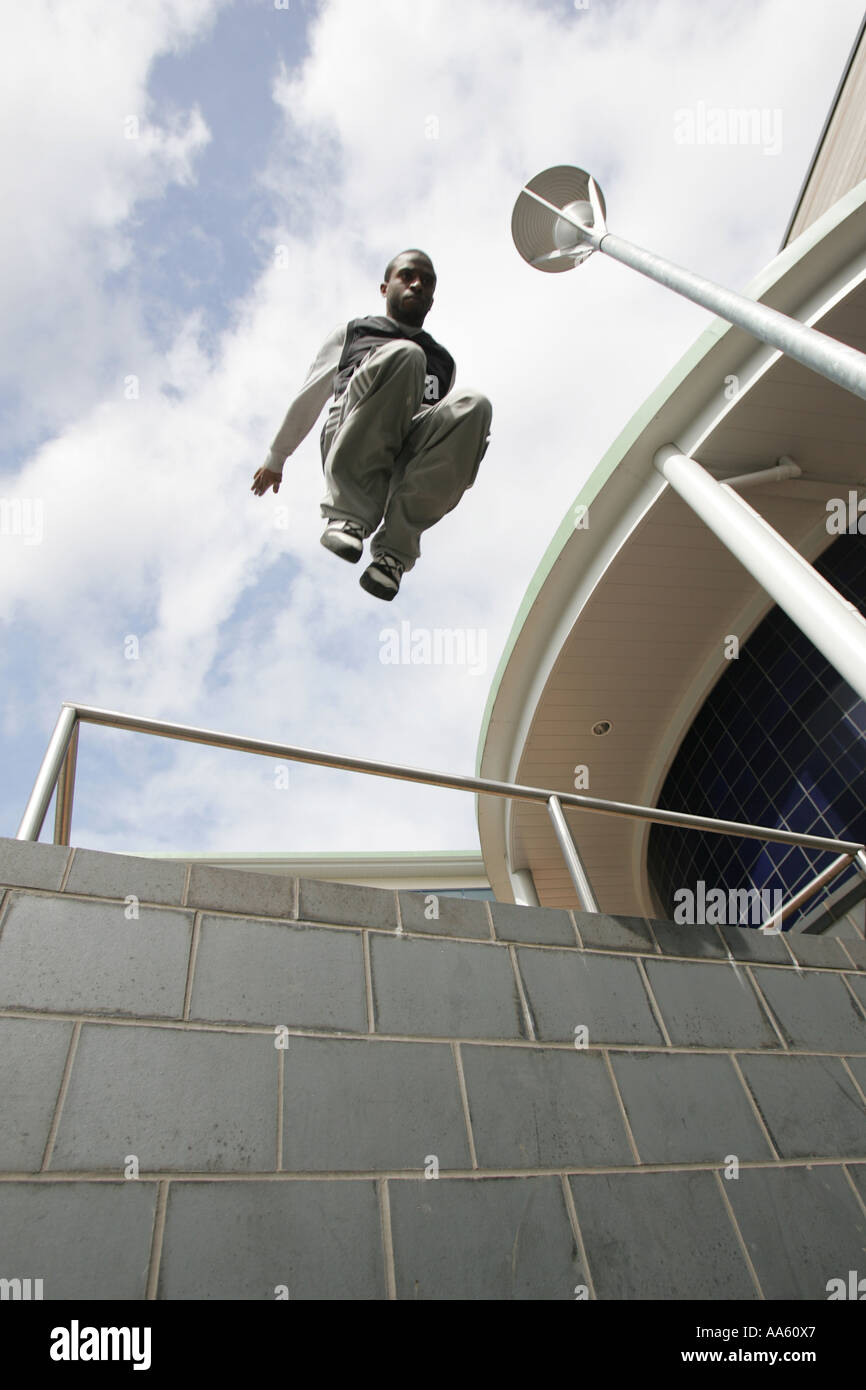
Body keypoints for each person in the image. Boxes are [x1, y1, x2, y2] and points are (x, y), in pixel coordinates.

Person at [251, 249, 492, 600]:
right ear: (384, 288)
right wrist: (277, 457)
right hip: (353, 435)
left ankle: (393, 553)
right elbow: (311, 394)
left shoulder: (444, 362)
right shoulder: (354, 333)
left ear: (433, 298)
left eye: (426, 282)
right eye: (407, 276)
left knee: (474, 406)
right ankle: (348, 514)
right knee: (407, 355)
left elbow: (440, 443)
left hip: (402, 459)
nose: (417, 284)